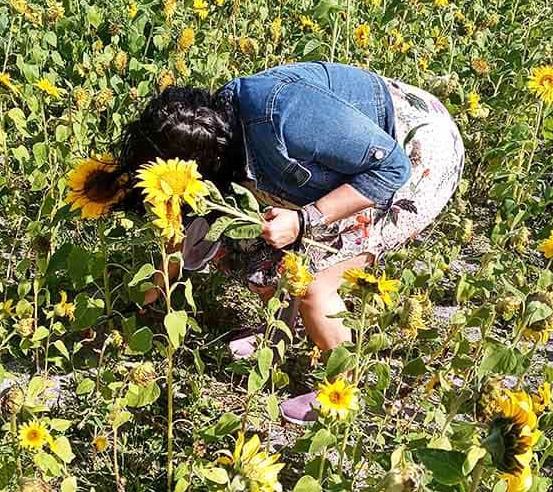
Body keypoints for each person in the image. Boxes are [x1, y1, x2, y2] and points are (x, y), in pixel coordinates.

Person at [108, 62, 464, 423]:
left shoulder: (283, 115)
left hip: (416, 151)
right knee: (251, 250)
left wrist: (305, 219)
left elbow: (391, 168)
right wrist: (139, 300)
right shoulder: (215, 132)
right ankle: (281, 331)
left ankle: (343, 390)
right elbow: (185, 227)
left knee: (313, 285)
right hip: (362, 159)